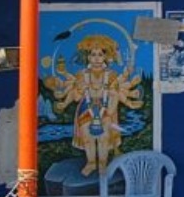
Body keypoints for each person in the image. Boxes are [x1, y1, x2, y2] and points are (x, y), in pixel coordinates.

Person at [50, 33, 144, 176]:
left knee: (103, 139)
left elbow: (117, 91)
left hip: (105, 109)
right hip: (85, 109)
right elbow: (76, 97)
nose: (96, 59)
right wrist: (78, 90)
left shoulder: (111, 75)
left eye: (100, 55)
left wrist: (124, 91)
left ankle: (102, 164)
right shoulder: (81, 74)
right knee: (88, 139)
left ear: (105, 57)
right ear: (88, 57)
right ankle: (91, 163)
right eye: (93, 54)